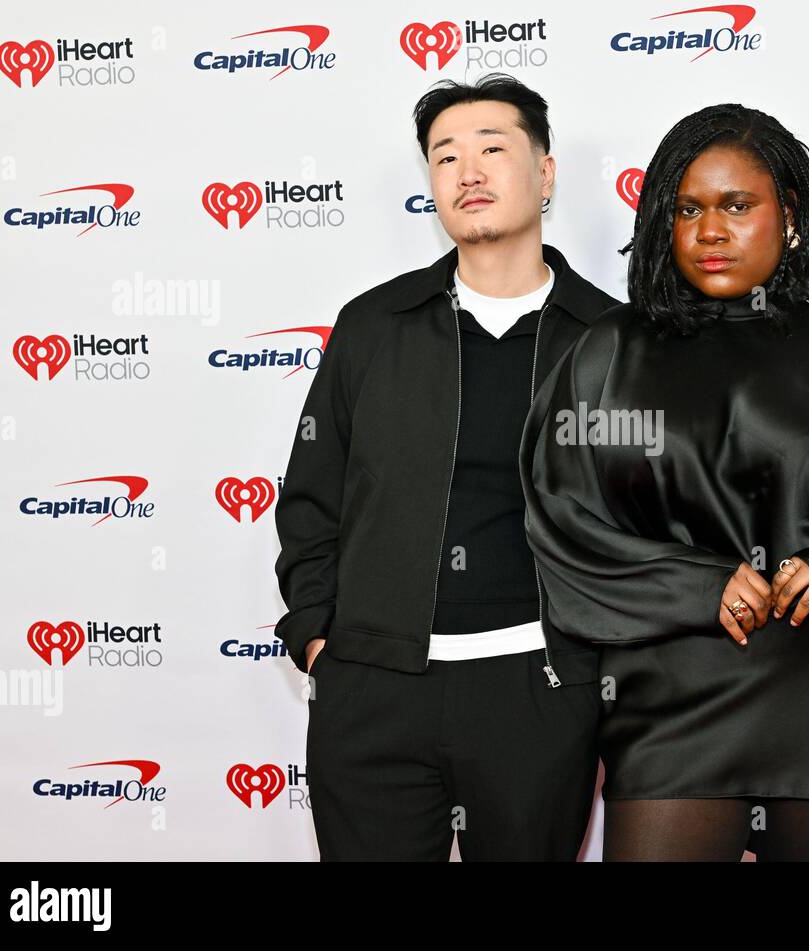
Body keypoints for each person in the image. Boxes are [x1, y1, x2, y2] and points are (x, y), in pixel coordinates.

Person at [519, 103, 809, 861]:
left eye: (736, 205)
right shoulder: (607, 354)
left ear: (787, 213)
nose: (710, 231)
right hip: (671, 695)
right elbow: (561, 520)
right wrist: (699, 586)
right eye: (688, 208)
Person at [274, 73, 619, 860]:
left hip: (541, 690)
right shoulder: (374, 326)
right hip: (374, 689)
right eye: (444, 156)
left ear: (546, 172)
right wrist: (319, 637)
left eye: (493, 149)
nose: (468, 171)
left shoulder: (610, 338)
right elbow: (310, 498)